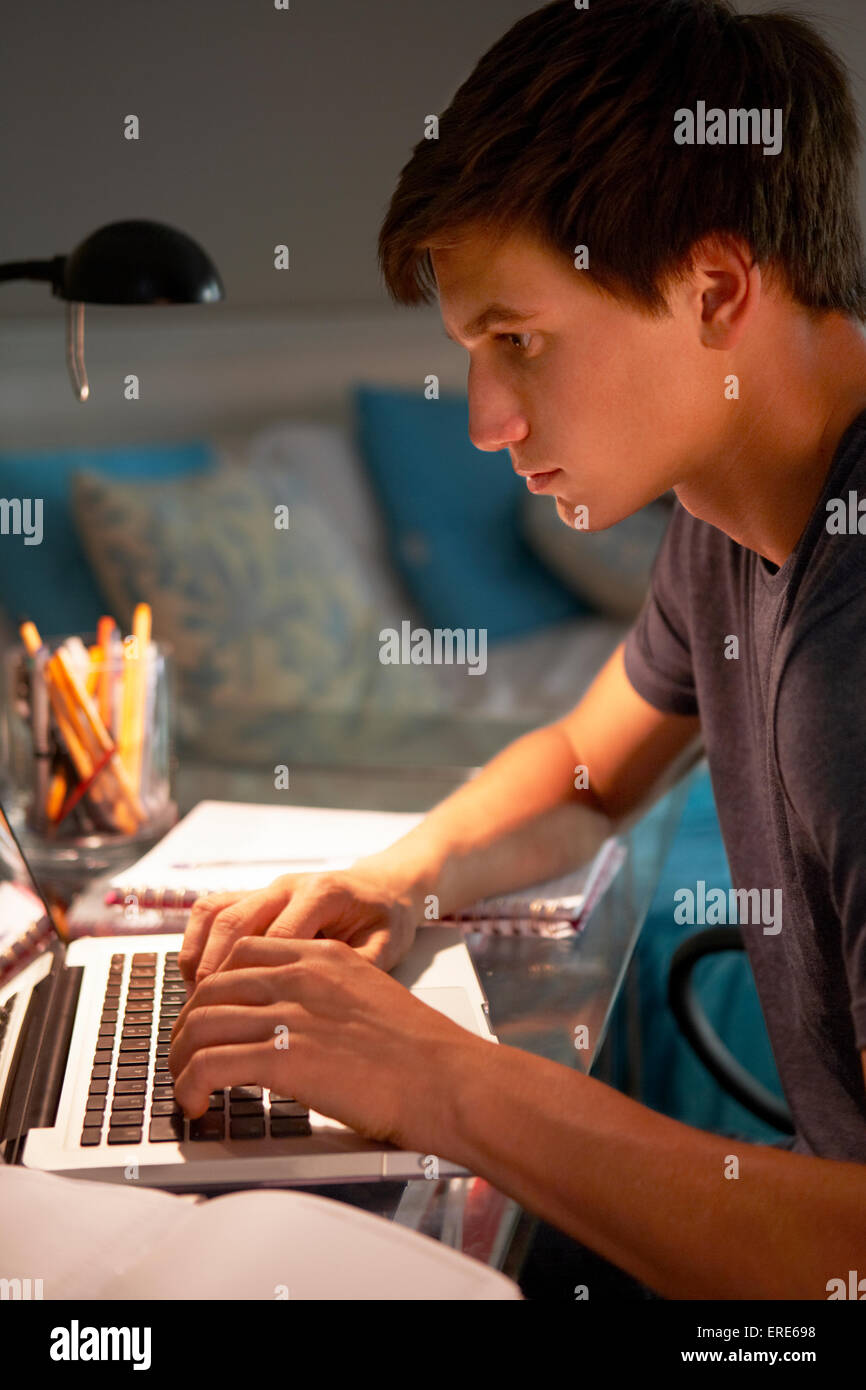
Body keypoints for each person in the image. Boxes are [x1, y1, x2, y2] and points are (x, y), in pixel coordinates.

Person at [168, 0, 866, 1298]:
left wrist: (439, 1078)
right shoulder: (730, 504)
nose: (487, 420)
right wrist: (398, 874)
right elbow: (587, 760)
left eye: (519, 340)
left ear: (714, 288)